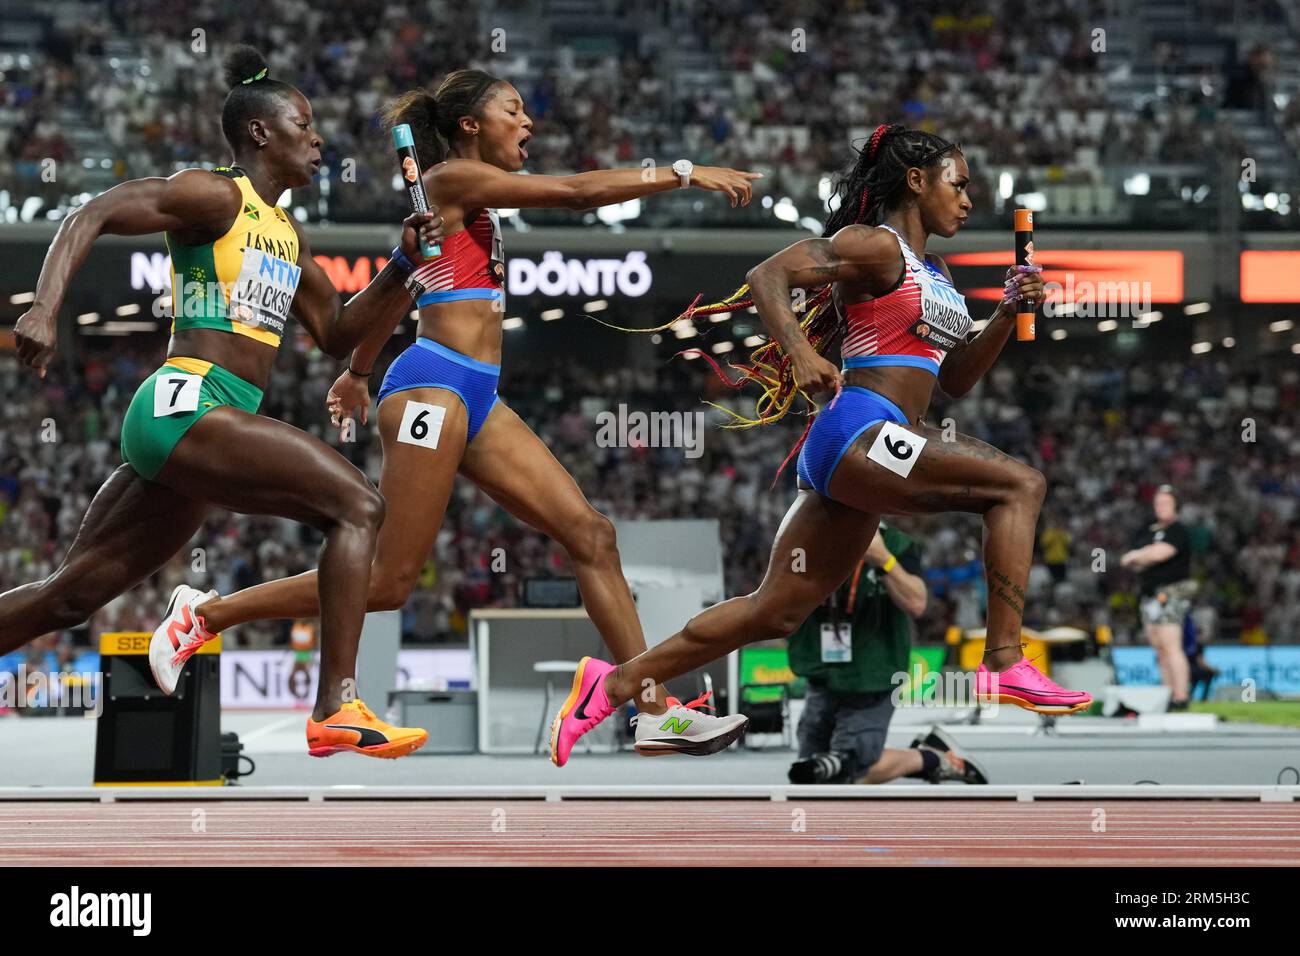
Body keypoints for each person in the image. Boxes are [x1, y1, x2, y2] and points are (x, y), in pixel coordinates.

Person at [159, 69, 760, 756]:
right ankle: (205, 614)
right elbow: (576, 193)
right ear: (471, 125)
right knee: (386, 583)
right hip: (430, 386)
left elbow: (404, 277)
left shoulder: (454, 198)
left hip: (477, 392)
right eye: (514, 109)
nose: (528, 122)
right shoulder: (448, 179)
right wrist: (684, 173)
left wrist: (357, 371)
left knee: (591, 534)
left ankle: (649, 705)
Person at [551, 122, 1093, 766]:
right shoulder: (874, 246)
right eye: (960, 183)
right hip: (861, 430)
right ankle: (1004, 659)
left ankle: (613, 683)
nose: (970, 199)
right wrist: (803, 353)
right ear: (916, 181)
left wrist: (1004, 315)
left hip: (869, 446)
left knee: (773, 614)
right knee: (1021, 484)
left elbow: (955, 378)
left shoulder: (935, 271)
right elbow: (765, 276)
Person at [1, 46, 446, 759]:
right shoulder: (216, 195)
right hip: (186, 406)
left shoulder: (288, 235)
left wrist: (401, 266)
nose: (319, 137)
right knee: (358, 506)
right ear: (261, 133)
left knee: (69, 597)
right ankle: (336, 704)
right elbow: (92, 213)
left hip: (200, 427)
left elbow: (337, 333)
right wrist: (44, 309)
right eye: (303, 123)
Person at [786, 522, 987, 785]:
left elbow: (917, 603)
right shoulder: (803, 541)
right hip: (822, 673)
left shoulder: (894, 544)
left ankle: (934, 759)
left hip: (872, 674)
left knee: (845, 769)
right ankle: (931, 756)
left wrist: (883, 560)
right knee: (811, 776)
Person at [1121, 484, 1197, 711]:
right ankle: (1167, 692)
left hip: (1170, 593)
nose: (1161, 507)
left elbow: (1159, 554)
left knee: (1172, 645)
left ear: (1176, 506)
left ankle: (1181, 696)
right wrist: (1140, 556)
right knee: (1159, 647)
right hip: (1148, 595)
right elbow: (1130, 561)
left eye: (1166, 503)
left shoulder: (1178, 530)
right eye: (1158, 503)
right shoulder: (1148, 530)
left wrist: (1138, 555)